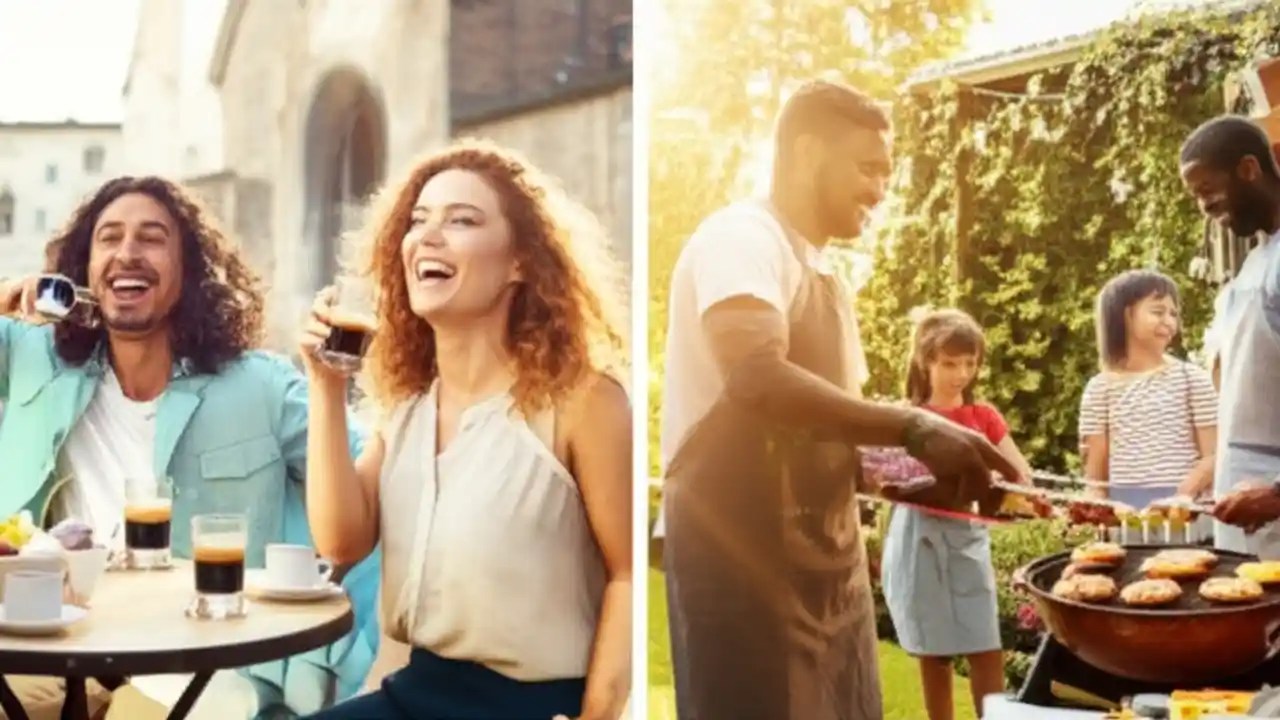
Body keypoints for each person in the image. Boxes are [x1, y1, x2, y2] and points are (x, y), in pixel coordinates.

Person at [659, 79, 1020, 720]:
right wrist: (913, 427)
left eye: (886, 172)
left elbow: (838, 436)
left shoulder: (827, 274)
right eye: (867, 168)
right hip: (741, 571)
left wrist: (934, 477)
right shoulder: (740, 237)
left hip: (829, 572)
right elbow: (755, 376)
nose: (881, 189)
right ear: (804, 153)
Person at [0, 176, 381, 719]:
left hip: (213, 663)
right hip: (60, 641)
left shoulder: (264, 386)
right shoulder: (30, 356)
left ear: (189, 271)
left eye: (152, 238)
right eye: (109, 239)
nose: (127, 253)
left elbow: (373, 481)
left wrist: (352, 655)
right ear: (84, 267)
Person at [298, 140, 632, 720]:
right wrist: (325, 389)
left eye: (463, 220)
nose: (428, 236)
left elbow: (629, 573)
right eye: (419, 220)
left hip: (534, 706)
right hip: (416, 695)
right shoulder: (406, 408)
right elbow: (340, 544)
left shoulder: (582, 400)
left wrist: (597, 717)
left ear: (521, 261)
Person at [881, 309, 1033, 720]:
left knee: (985, 642)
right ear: (924, 361)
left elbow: (1019, 473)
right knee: (934, 649)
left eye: (969, 363)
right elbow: (887, 477)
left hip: (966, 533)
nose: (960, 373)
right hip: (919, 536)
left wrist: (1022, 494)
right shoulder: (906, 420)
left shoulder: (983, 417)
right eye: (949, 363)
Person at [1179, 116, 1280, 555]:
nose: (1203, 206)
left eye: (1206, 190)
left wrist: (1275, 493)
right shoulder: (1258, 259)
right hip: (1245, 510)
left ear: (1248, 169)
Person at [1077, 270, 1218, 511]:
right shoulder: (1100, 389)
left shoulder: (1191, 379)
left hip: (1186, 513)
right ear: (1125, 317)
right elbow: (1096, 479)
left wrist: (1182, 496)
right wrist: (1095, 507)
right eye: (1157, 311)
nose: (1169, 321)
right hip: (1126, 518)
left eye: (1173, 314)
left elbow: (1214, 456)